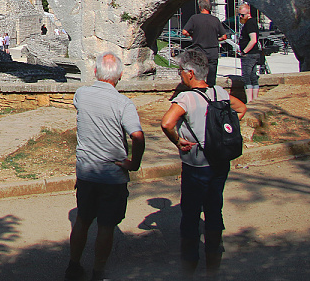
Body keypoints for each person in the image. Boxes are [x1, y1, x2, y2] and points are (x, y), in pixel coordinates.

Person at [161, 48, 247, 275]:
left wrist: (178, 141)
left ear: (190, 73)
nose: (180, 75)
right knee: (214, 209)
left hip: (196, 164)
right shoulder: (220, 92)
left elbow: (167, 123)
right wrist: (223, 131)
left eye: (181, 71)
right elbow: (242, 109)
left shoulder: (186, 97)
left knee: (190, 214)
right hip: (219, 161)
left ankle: (189, 265)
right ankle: (213, 266)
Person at [65, 52, 145, 281]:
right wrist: (134, 163)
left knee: (82, 220)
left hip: (87, 171)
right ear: (120, 75)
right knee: (107, 226)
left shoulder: (81, 94)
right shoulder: (123, 104)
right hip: (112, 174)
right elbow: (137, 136)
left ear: (94, 72)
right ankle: (98, 271)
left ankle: (74, 265)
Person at [182, 0, 227, 86]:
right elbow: (224, 36)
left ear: (200, 7)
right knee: (211, 78)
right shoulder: (215, 20)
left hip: (199, 51)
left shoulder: (194, 18)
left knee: (199, 76)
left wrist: (192, 36)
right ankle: (211, 95)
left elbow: (184, 32)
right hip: (213, 52)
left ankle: (200, 94)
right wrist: (216, 39)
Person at [238, 3, 260, 101]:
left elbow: (253, 39)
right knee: (253, 76)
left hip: (249, 54)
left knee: (246, 76)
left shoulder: (250, 23)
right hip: (253, 53)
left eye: (243, 15)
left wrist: (244, 51)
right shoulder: (251, 22)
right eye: (240, 15)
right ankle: (255, 99)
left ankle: (250, 100)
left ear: (248, 13)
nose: (241, 17)